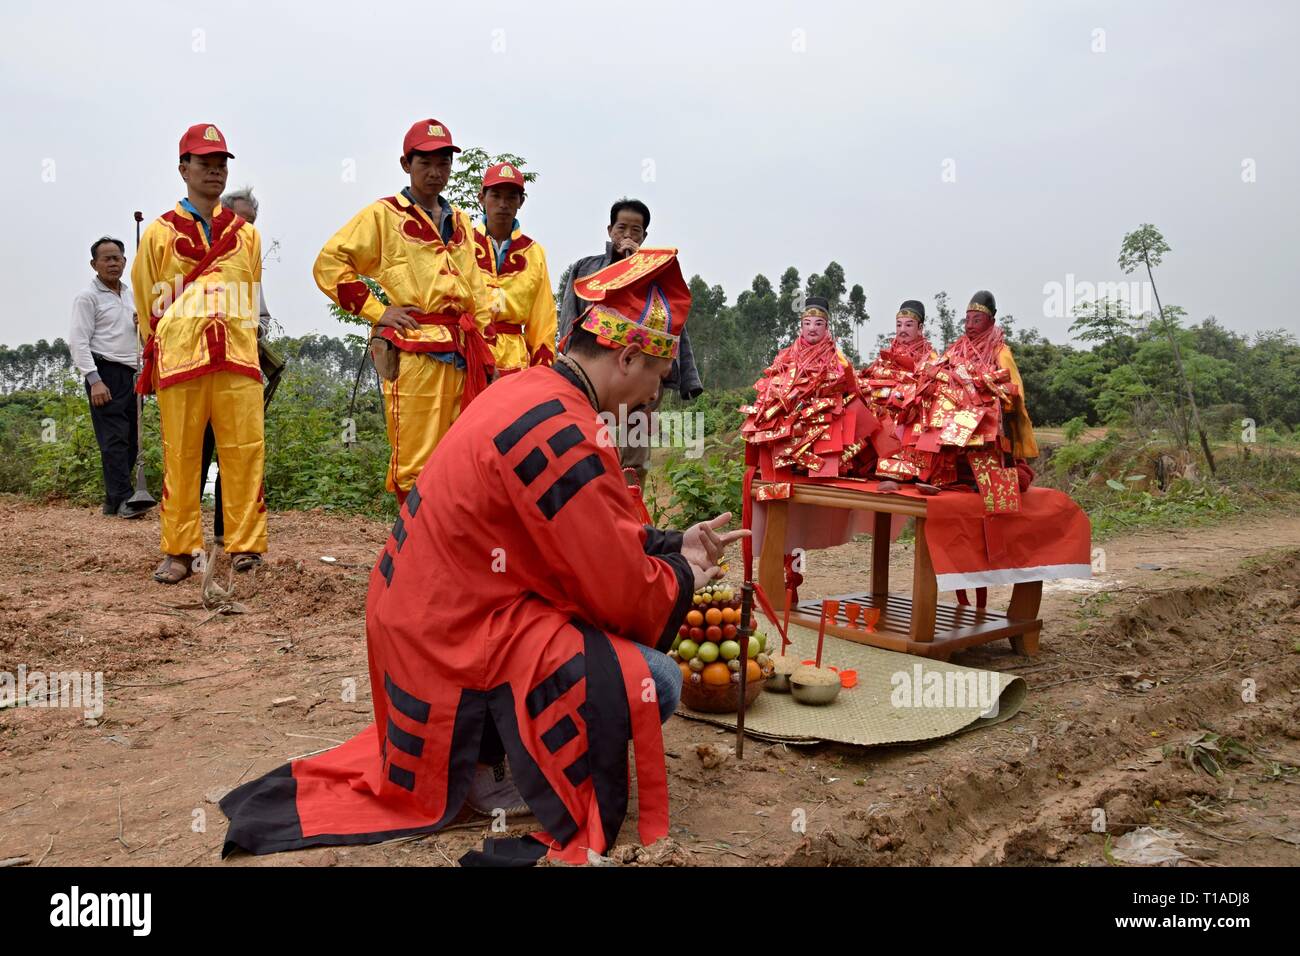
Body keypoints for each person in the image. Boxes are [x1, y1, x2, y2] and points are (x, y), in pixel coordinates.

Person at [221, 248, 747, 866]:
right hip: (452, 634)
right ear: (626, 356)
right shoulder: (565, 429)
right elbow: (616, 588)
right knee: (652, 679)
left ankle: (482, 753)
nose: (657, 398)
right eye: (656, 378)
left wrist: (669, 545)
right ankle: (478, 769)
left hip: (426, 613)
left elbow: (585, 537)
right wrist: (682, 573)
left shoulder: (533, 391)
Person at [314, 119, 495, 505]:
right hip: (415, 352)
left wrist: (485, 344)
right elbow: (329, 264)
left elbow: (475, 288)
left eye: (443, 163)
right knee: (415, 460)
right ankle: (411, 550)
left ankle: (448, 548)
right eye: (425, 162)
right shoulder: (384, 216)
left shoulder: (461, 220)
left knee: (462, 456)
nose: (435, 172)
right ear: (405, 164)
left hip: (464, 351)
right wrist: (378, 311)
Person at [131, 124, 267, 584]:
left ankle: (245, 545)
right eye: (204, 162)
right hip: (182, 359)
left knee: (245, 452)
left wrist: (244, 338)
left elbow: (249, 294)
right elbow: (147, 300)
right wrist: (162, 348)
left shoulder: (246, 235)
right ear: (183, 168)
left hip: (237, 356)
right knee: (182, 456)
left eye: (222, 163)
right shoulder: (159, 234)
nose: (215, 170)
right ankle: (180, 549)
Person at [558, 198, 702, 484]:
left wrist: (686, 378)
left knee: (634, 457)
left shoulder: (657, 273)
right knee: (592, 449)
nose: (628, 235)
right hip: (595, 376)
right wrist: (564, 365)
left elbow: (675, 327)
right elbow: (568, 317)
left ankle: (632, 520)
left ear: (645, 236)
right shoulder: (586, 270)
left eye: (636, 230)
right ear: (610, 229)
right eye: (622, 227)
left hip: (641, 378)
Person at [198, 186, 284, 541]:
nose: (244, 228)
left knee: (237, 457)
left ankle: (229, 533)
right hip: (194, 372)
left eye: (250, 222)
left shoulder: (249, 264)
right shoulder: (190, 254)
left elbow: (262, 317)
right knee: (192, 457)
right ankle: (183, 542)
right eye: (238, 220)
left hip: (238, 372)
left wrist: (245, 328)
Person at [69, 236, 148, 519]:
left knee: (131, 439)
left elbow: (142, 337)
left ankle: (113, 499)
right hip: (105, 373)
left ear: (125, 261)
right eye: (107, 258)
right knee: (114, 439)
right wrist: (94, 380)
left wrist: (143, 323)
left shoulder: (132, 295)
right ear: (94, 264)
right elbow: (78, 341)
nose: (113, 263)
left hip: (133, 373)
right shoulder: (87, 297)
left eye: (118, 257)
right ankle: (125, 499)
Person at [471, 162, 556, 376]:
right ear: (482, 198)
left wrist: (542, 374)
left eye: (511, 197)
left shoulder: (533, 253)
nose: (503, 204)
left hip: (515, 360)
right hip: (469, 351)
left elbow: (542, 320)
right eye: (496, 195)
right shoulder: (462, 244)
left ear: (521, 201)